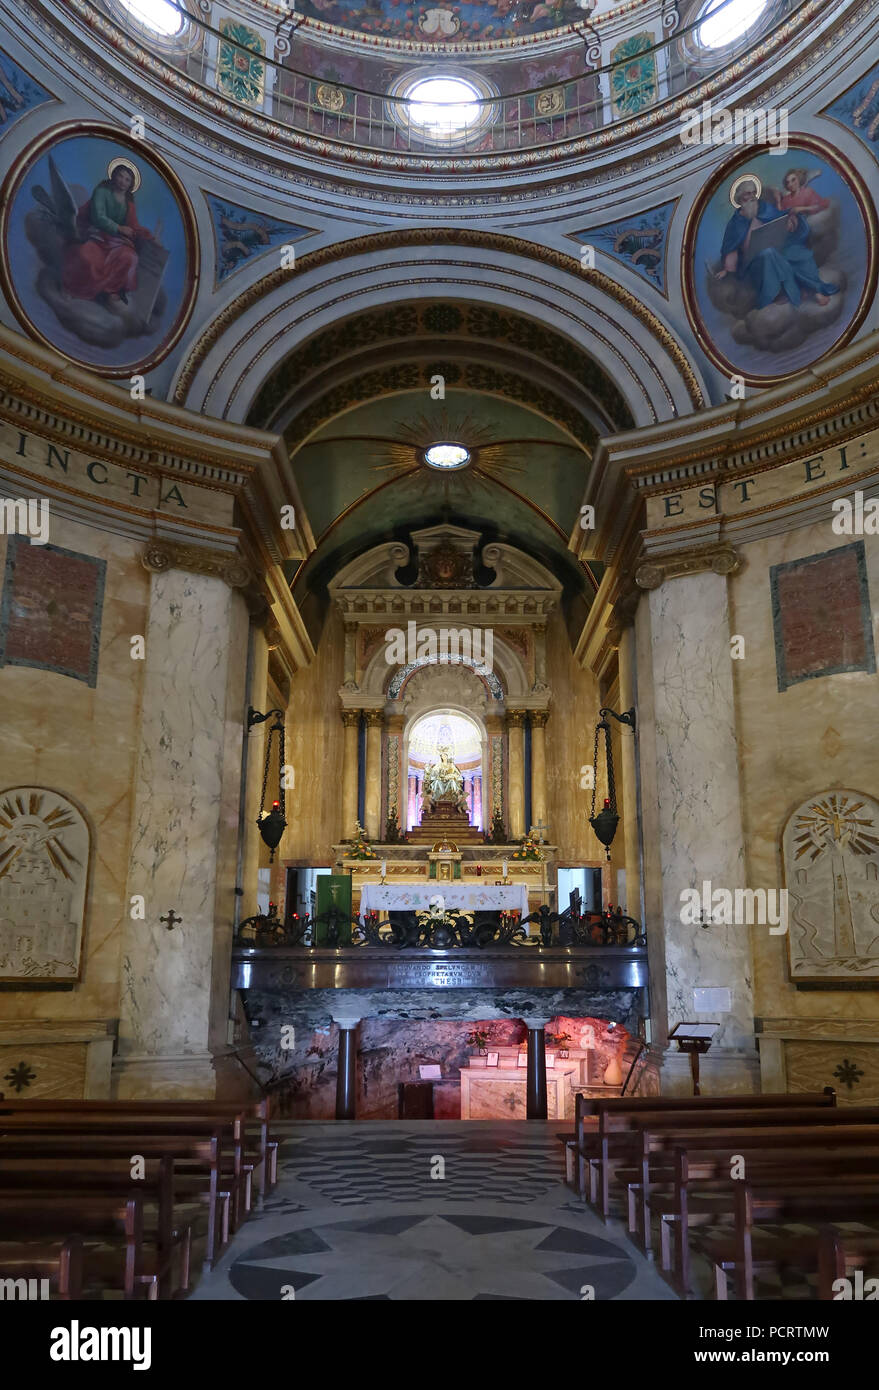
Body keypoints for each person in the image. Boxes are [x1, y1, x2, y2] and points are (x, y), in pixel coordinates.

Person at [713, 175, 839, 310]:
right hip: (754, 262)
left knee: (796, 252)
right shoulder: (735, 223)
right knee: (770, 254)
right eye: (748, 193)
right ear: (739, 197)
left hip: (777, 247)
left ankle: (811, 290)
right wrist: (727, 269)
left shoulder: (763, 208)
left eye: (754, 192)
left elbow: (780, 217)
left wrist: (790, 220)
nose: (752, 196)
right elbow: (731, 247)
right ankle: (802, 292)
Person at [61, 160, 153, 308]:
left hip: (115, 241)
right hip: (96, 235)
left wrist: (150, 236)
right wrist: (120, 228)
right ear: (114, 176)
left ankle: (110, 290)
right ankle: (73, 290)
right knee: (87, 256)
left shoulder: (129, 203)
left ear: (131, 184)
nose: (123, 181)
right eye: (121, 176)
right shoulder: (102, 192)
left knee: (130, 257)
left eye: (127, 179)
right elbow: (98, 217)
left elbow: (134, 225)